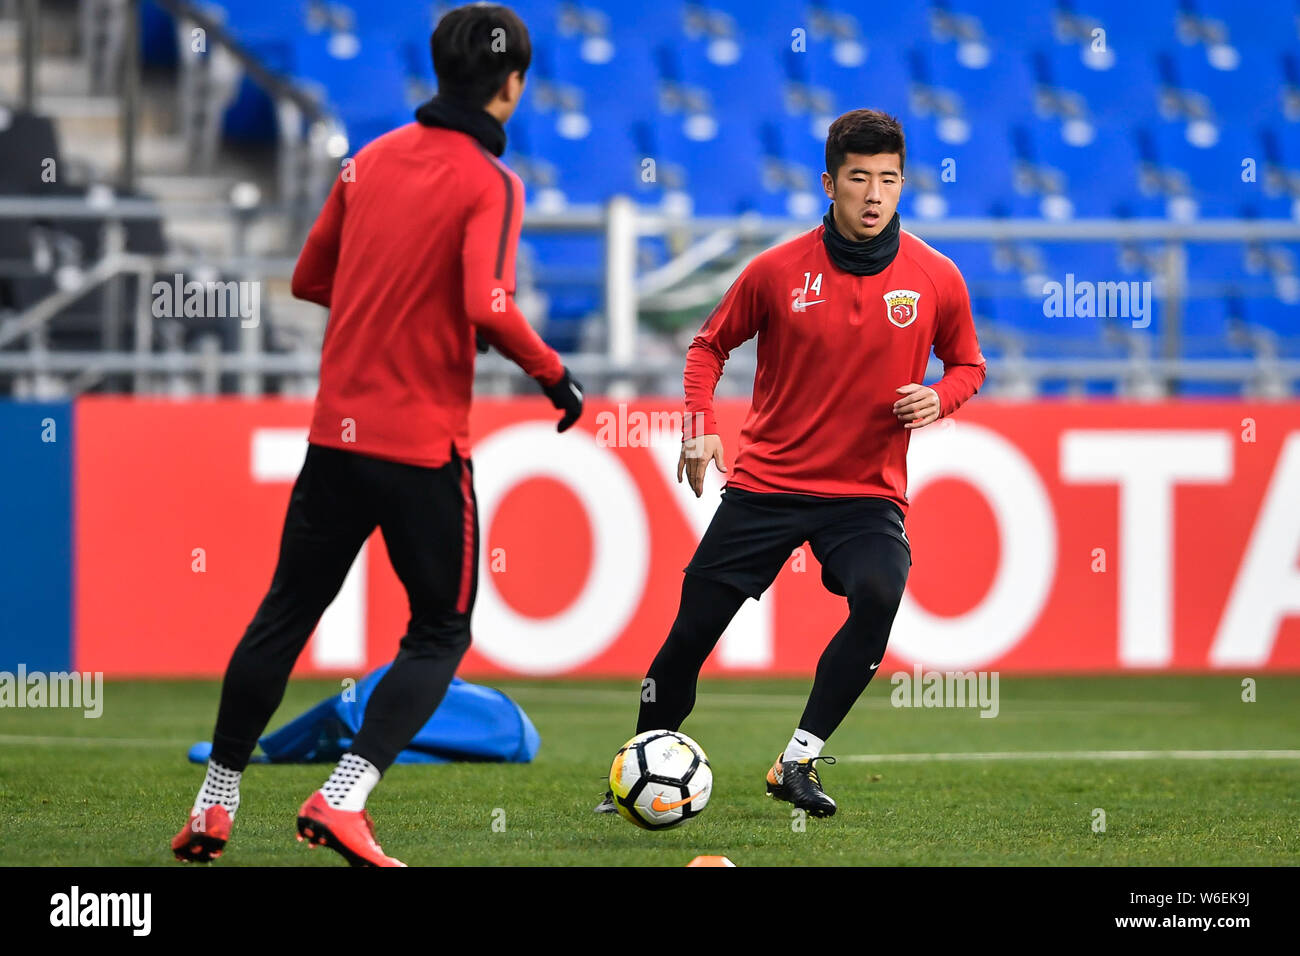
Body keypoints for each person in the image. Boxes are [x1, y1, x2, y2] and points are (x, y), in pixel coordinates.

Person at [172, 3, 581, 867]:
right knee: (439, 632)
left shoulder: (368, 162)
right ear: (513, 88)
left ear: (438, 74)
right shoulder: (491, 183)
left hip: (335, 438)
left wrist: (383, 302)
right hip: (421, 447)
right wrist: (552, 373)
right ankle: (344, 794)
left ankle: (216, 802)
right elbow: (487, 302)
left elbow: (311, 277)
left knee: (285, 613)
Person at [598, 109, 985, 819]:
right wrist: (699, 426)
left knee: (880, 589)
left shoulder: (936, 277)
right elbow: (706, 347)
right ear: (829, 184)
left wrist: (940, 398)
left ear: (904, 185)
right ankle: (640, 762)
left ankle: (797, 761)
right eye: (859, 178)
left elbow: (968, 364)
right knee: (688, 638)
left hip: (864, 494)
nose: (874, 194)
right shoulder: (777, 271)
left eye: (889, 180)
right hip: (767, 486)